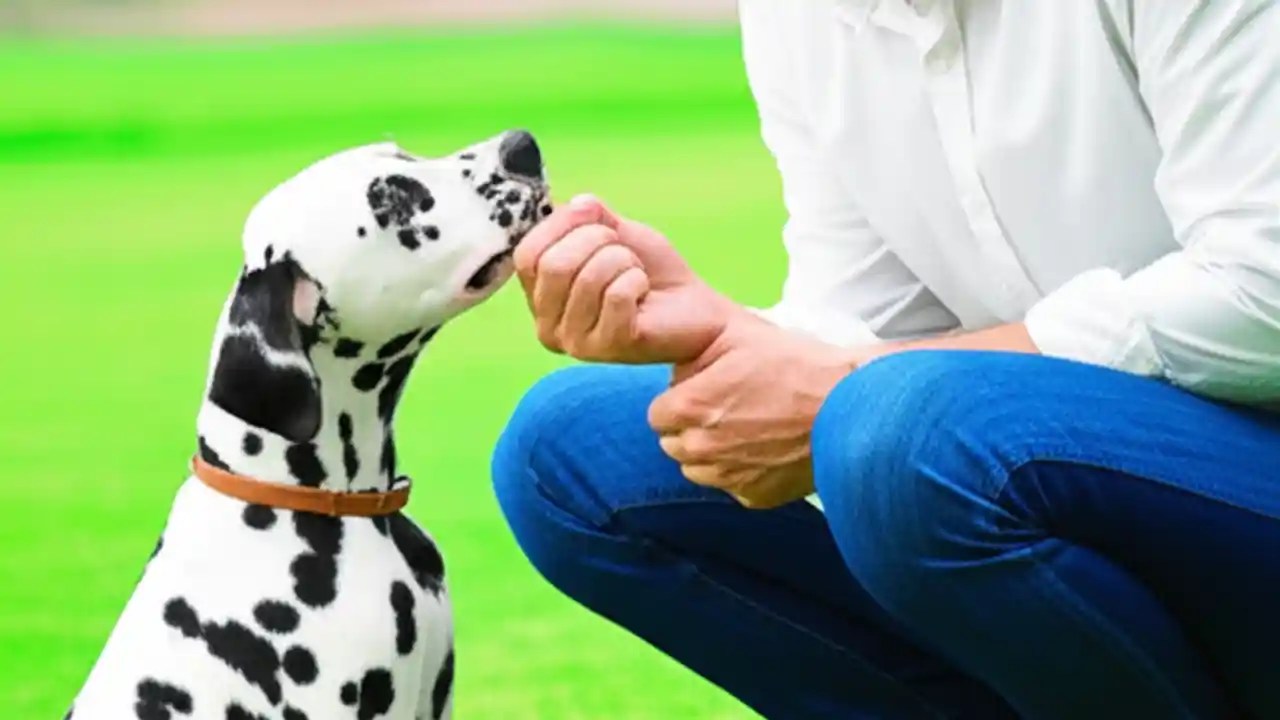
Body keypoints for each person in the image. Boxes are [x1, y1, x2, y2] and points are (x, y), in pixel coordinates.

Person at [490, 2, 1280, 718]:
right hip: (1078, 472)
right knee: (579, 447)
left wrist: (844, 389)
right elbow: (876, 316)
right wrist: (716, 339)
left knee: (903, 433)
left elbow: (1262, 288)